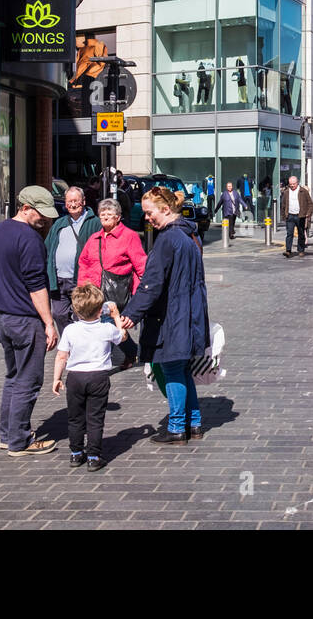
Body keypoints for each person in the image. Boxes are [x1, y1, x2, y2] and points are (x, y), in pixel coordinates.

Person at [121, 187, 211, 444]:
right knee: (182, 370)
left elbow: (151, 283)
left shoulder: (167, 240)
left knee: (172, 368)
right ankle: (193, 424)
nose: (147, 218)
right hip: (190, 313)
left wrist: (131, 314)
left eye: (150, 213)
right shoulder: (190, 235)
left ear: (165, 209)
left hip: (172, 316)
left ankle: (175, 427)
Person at [0, 185, 61, 456]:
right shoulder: (30, 239)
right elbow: (36, 286)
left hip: (4, 317)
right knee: (28, 380)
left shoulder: (1, 231)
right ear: (25, 207)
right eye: (40, 214)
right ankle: (19, 441)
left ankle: (8, 435)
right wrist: (48, 322)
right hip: (25, 319)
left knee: (13, 377)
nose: (44, 220)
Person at [52, 284, 126, 472]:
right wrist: (116, 316)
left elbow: (61, 356)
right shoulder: (106, 329)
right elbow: (123, 337)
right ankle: (93, 456)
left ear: (76, 310)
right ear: (100, 309)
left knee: (75, 418)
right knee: (95, 418)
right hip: (99, 377)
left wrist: (56, 378)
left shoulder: (70, 330)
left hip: (75, 378)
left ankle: (76, 453)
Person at [77, 197, 147, 368]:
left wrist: (141, 293)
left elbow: (141, 265)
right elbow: (84, 262)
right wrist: (82, 287)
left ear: (118, 217)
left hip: (117, 290)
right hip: (94, 291)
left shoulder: (129, 237)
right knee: (104, 324)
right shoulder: (94, 238)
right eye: (102, 213)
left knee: (108, 323)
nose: (105, 216)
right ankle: (129, 353)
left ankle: (121, 355)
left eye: (109, 213)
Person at [44, 186, 96, 335]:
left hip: (80, 280)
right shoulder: (59, 223)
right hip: (58, 280)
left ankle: (82, 347)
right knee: (58, 314)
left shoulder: (94, 223)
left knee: (82, 315)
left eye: (76, 201)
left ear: (84, 201)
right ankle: (71, 343)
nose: (72, 205)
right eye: (69, 202)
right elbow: (47, 248)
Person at [281, 175, 312, 258]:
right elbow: (283, 205)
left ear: (297, 183)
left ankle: (301, 250)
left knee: (301, 233)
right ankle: (288, 251)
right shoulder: (286, 192)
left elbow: (310, 204)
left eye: (293, 184)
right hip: (290, 215)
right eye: (290, 184)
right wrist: (284, 216)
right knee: (289, 233)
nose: (292, 186)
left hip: (300, 215)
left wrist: (308, 213)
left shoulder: (303, 191)